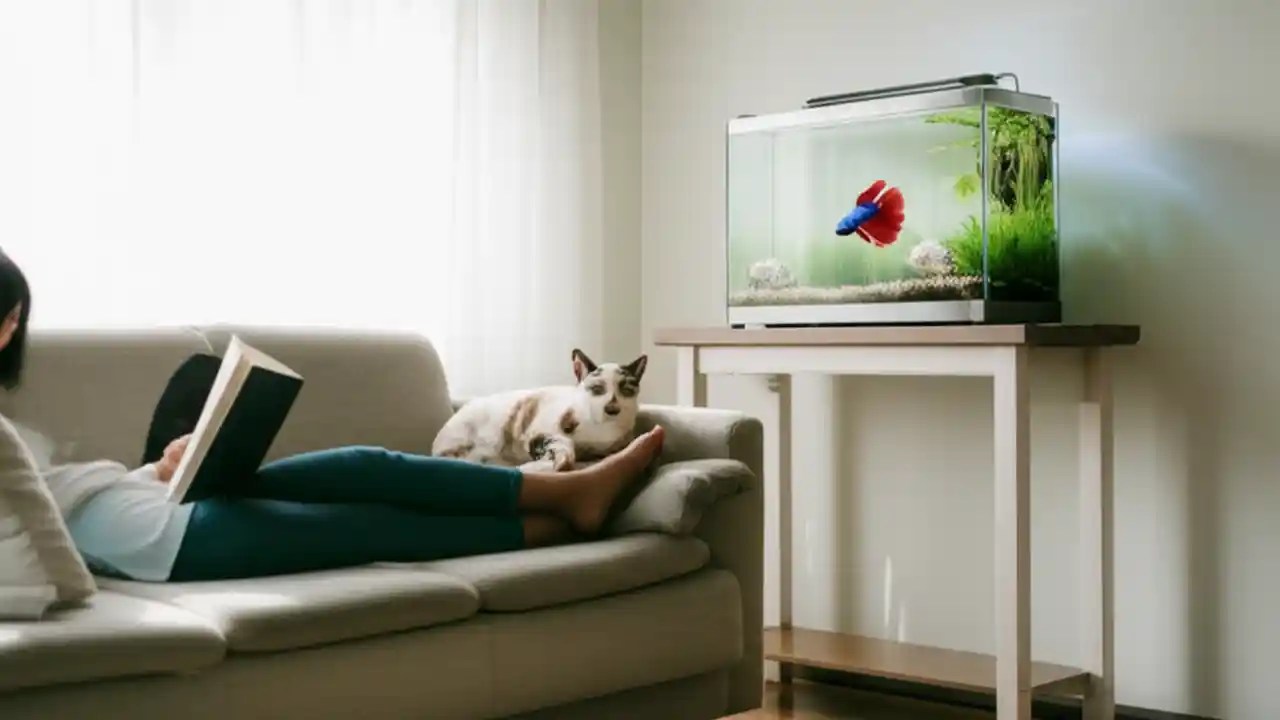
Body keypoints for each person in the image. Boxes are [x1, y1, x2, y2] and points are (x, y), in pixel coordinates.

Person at [0, 251, 665, 582]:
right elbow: (39, 539)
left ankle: (567, 494)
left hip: (163, 503)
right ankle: (559, 522)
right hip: (176, 545)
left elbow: (67, 496)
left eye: (13, 320)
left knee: (362, 463)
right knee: (372, 526)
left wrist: (157, 468)